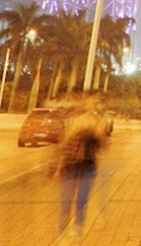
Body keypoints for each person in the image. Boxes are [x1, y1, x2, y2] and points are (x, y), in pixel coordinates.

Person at [53, 98, 109, 240]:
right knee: (66, 200)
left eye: (95, 103)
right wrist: (58, 167)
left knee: (81, 200)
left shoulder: (98, 122)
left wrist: (99, 131)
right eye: (91, 102)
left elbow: (102, 146)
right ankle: (62, 232)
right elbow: (63, 144)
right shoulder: (74, 120)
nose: (93, 105)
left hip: (87, 165)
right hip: (70, 165)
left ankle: (77, 229)